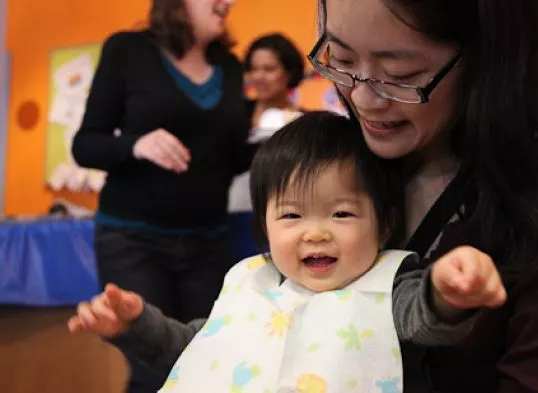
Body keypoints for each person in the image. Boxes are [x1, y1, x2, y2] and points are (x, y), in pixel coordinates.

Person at [73, 0, 538, 391]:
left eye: (399, 72)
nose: (361, 98)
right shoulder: (341, 160)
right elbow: (213, 343)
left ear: (487, 57)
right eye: (339, 58)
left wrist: (452, 295)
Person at [68, 112, 507, 392]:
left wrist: (446, 291)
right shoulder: (251, 286)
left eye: (341, 214)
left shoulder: (387, 287)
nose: (315, 234)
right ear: (265, 227)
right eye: (292, 217)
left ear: (385, 223)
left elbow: (426, 316)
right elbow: (195, 350)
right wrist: (134, 325)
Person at [70, 0, 249, 392]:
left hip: (209, 242)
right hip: (133, 241)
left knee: (211, 362)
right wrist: (136, 145)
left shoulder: (232, 66)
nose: (230, 2)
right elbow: (85, 146)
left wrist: (284, 138)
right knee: (152, 374)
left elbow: (232, 159)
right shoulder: (127, 50)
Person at [228, 33, 306, 259]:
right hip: (224, 222)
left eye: (269, 69)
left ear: (289, 72)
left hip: (279, 222)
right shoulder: (231, 114)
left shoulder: (303, 123)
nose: (259, 77)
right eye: (254, 69)